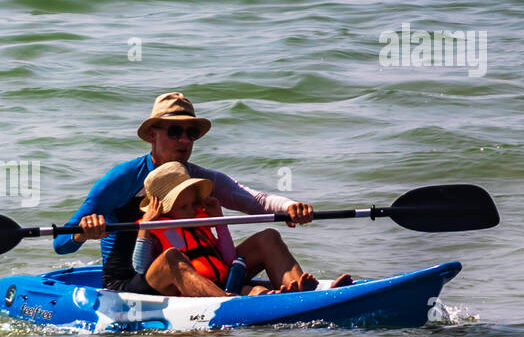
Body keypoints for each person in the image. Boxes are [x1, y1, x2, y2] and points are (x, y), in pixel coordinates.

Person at [55, 92, 350, 294]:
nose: (184, 140)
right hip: (133, 282)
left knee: (269, 238)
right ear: (152, 135)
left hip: (202, 270)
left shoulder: (195, 177)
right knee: (172, 258)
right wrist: (83, 233)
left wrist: (290, 207)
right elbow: (61, 243)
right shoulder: (121, 180)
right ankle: (234, 304)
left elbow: (254, 201)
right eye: (174, 132)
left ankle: (306, 295)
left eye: (191, 133)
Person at [131, 161, 272, 297]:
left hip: (217, 286)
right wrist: (146, 226)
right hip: (179, 290)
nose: (191, 211)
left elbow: (229, 259)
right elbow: (140, 267)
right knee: (171, 255)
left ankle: (288, 292)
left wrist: (219, 221)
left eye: (193, 204)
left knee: (257, 288)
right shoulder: (154, 227)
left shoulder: (198, 223)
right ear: (163, 210)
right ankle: (225, 302)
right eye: (183, 207)